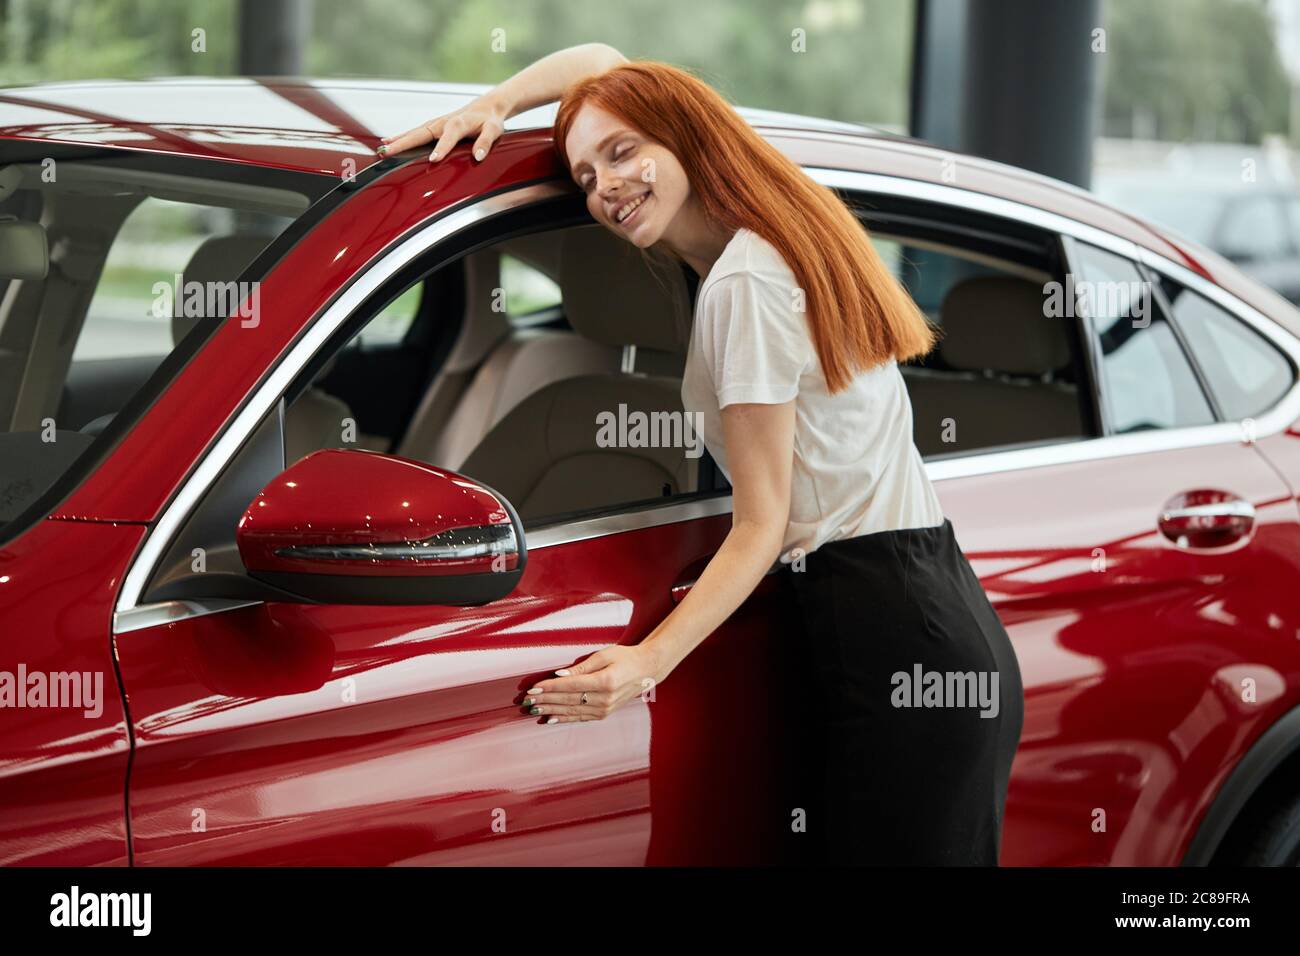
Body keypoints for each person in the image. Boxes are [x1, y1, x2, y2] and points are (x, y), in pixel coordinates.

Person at [378, 43, 1025, 865]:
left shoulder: (744, 287)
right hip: (926, 608)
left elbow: (763, 522)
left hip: (886, 632)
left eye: (624, 154)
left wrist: (645, 665)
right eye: (584, 176)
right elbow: (604, 61)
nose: (606, 187)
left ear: (685, 136)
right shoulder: (767, 233)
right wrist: (497, 105)